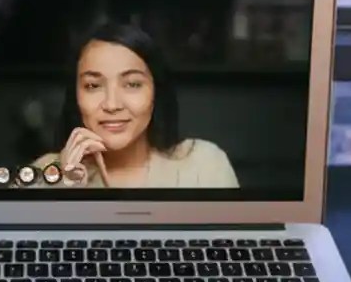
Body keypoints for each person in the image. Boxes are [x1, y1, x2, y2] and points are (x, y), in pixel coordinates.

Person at [31, 21, 238, 188]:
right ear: (75, 95)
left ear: (156, 91)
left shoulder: (204, 165)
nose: (112, 105)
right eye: (93, 85)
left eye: (132, 84)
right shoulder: (44, 173)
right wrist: (66, 186)